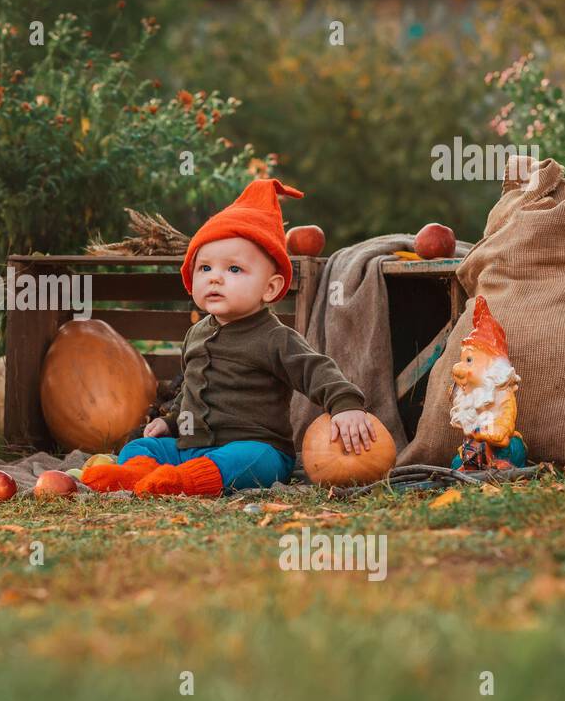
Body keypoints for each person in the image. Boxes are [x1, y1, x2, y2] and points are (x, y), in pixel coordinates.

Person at [83, 178, 376, 497]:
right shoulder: (196, 333)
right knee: (141, 446)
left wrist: (346, 404)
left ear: (271, 288)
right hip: (191, 447)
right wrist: (169, 422)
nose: (216, 278)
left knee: (254, 460)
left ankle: (184, 481)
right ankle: (137, 473)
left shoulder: (274, 338)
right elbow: (190, 390)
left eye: (234, 270)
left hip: (253, 446)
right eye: (205, 268)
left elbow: (316, 370)